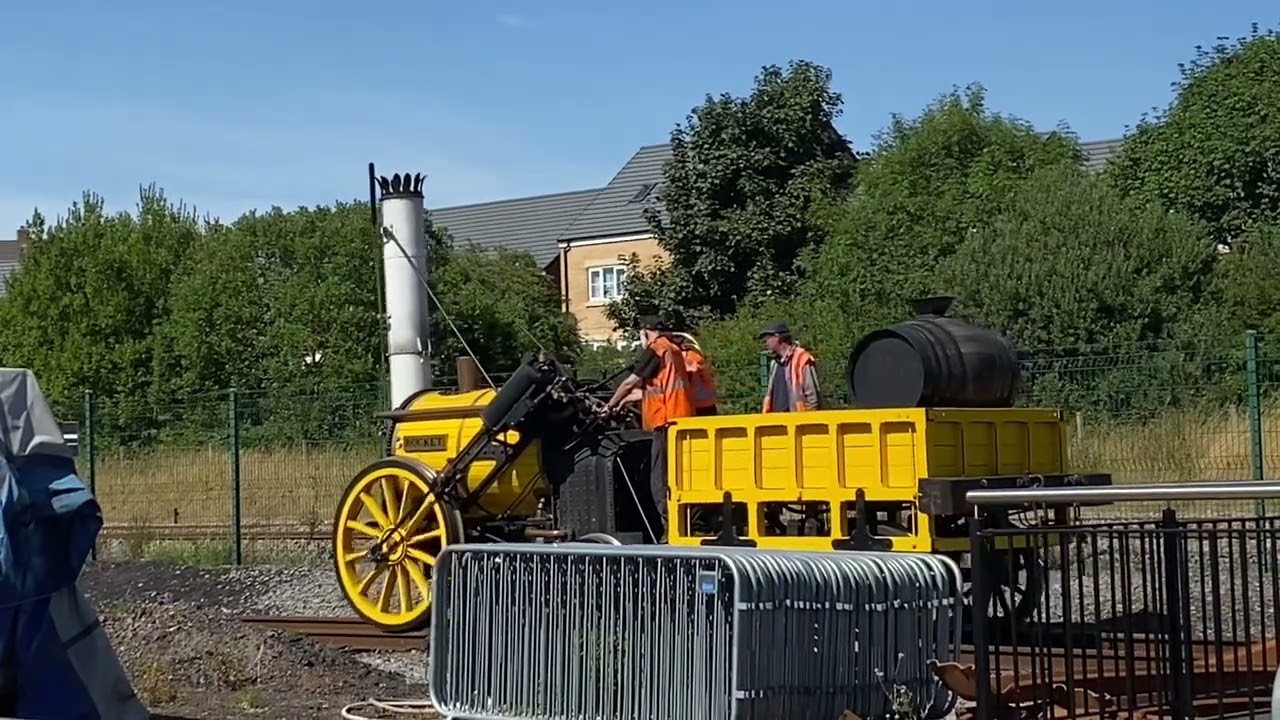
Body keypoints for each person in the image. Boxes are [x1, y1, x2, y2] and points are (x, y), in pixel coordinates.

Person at [600, 316, 695, 541]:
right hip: (680, 419)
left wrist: (609, 406)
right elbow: (656, 389)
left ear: (646, 332)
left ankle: (671, 531)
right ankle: (683, 526)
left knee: (659, 481)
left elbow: (629, 382)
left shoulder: (656, 349)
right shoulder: (673, 350)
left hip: (665, 421)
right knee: (675, 477)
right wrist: (624, 401)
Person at [759, 322, 821, 412]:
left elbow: (812, 397)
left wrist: (809, 419)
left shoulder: (802, 358)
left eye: (767, 339)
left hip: (797, 418)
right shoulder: (775, 363)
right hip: (776, 418)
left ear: (777, 337)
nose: (766, 343)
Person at [675, 333, 719, 416]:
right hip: (706, 402)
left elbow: (689, 374)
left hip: (699, 404)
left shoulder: (688, 358)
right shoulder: (694, 356)